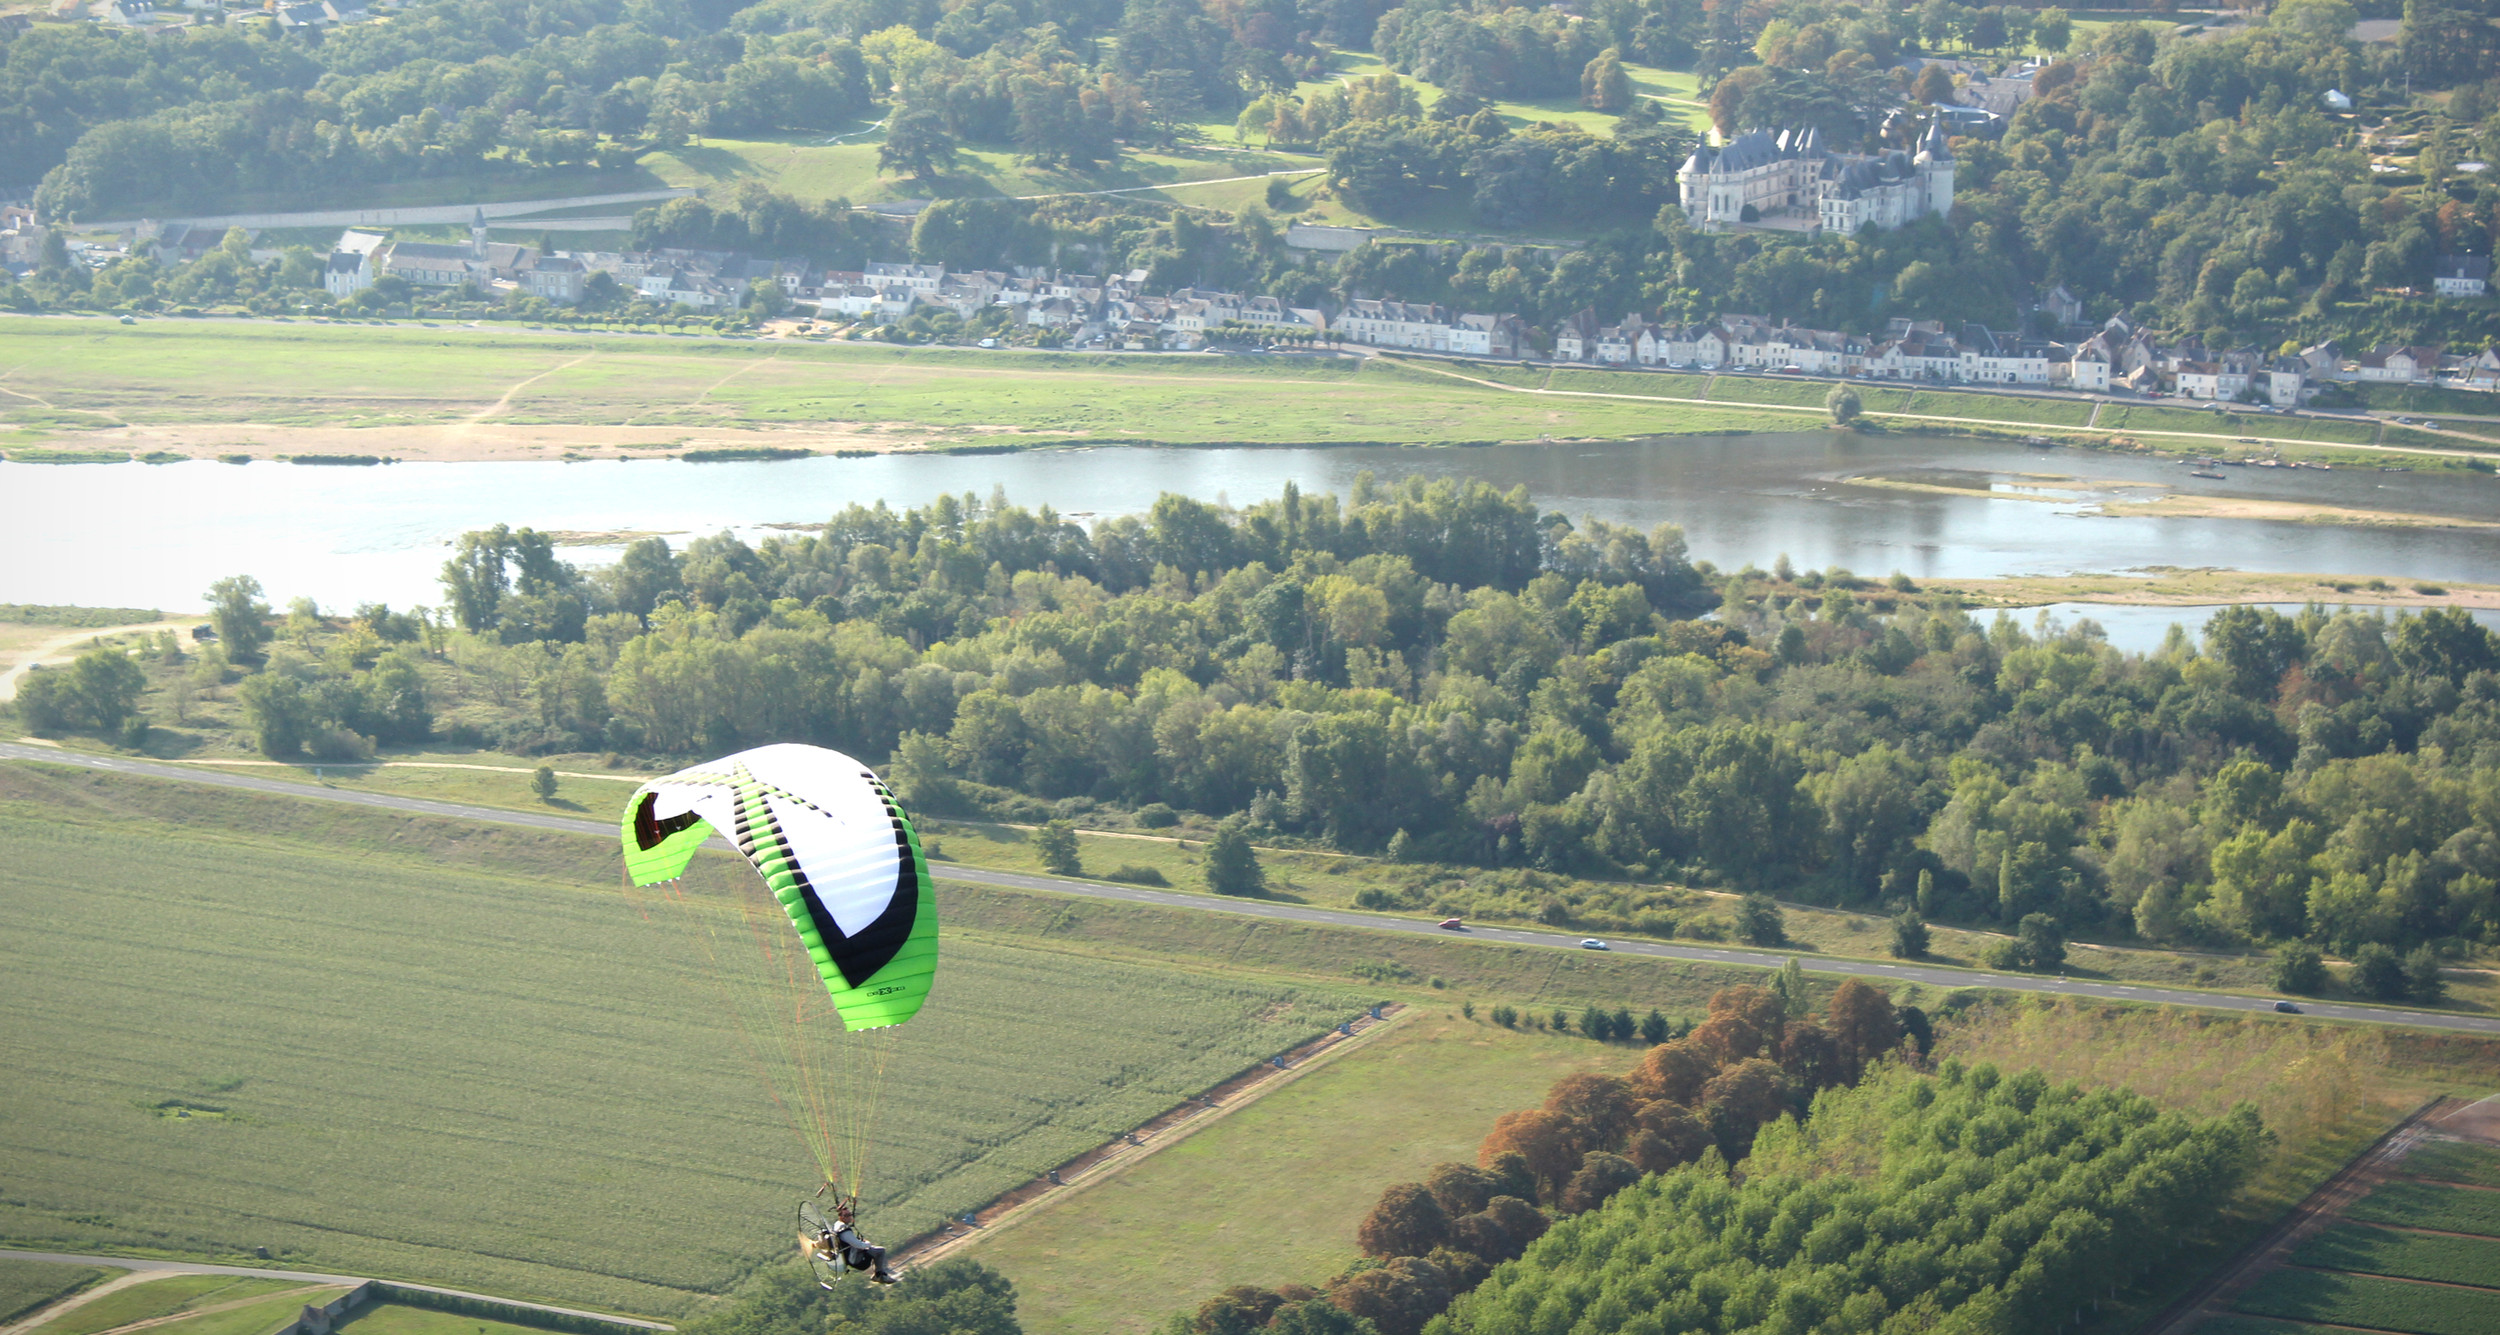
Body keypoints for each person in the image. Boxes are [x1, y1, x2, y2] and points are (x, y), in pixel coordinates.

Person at [806, 1200, 895, 1285]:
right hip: (857, 1260)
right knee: (880, 1251)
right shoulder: (844, 1231)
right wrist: (868, 1243)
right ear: (841, 1217)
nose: (849, 1217)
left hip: (850, 1257)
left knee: (875, 1250)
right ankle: (879, 1276)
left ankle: (879, 1274)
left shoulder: (837, 1225)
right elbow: (858, 1245)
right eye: (846, 1215)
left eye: (850, 1215)